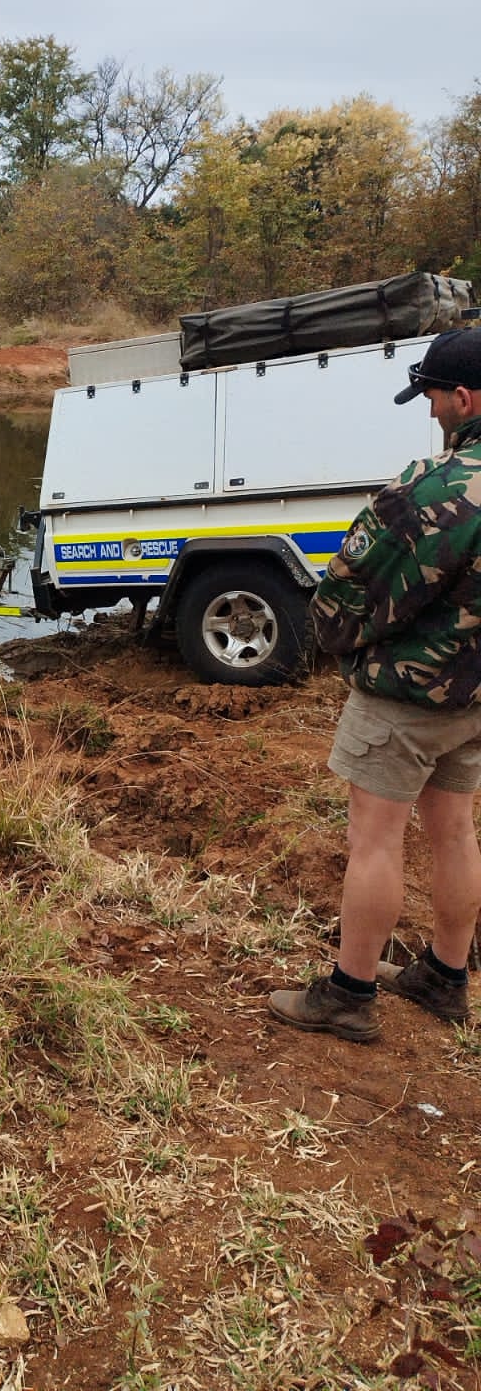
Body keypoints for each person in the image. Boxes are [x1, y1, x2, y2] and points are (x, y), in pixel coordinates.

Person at [269, 328, 481, 1043]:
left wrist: (342, 645)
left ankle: (350, 994)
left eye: (433, 397)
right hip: (475, 700)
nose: (431, 411)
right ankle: (445, 977)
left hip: (406, 698)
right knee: (455, 829)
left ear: (463, 397)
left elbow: (348, 590)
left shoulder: (436, 485)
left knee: (374, 839)